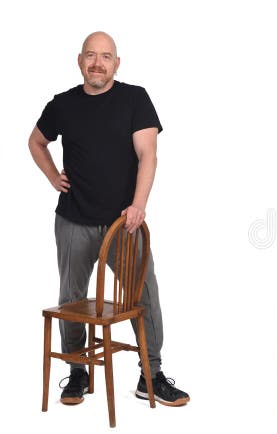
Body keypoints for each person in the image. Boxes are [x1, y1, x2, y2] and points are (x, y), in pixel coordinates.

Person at [29, 31, 190, 407]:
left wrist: (138, 204)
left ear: (117, 63)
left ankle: (151, 374)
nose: (97, 63)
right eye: (90, 55)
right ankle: (77, 372)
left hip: (124, 222)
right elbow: (36, 141)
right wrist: (53, 176)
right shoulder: (62, 104)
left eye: (105, 56)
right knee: (71, 298)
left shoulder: (135, 98)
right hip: (74, 220)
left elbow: (148, 154)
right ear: (80, 61)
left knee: (144, 296)